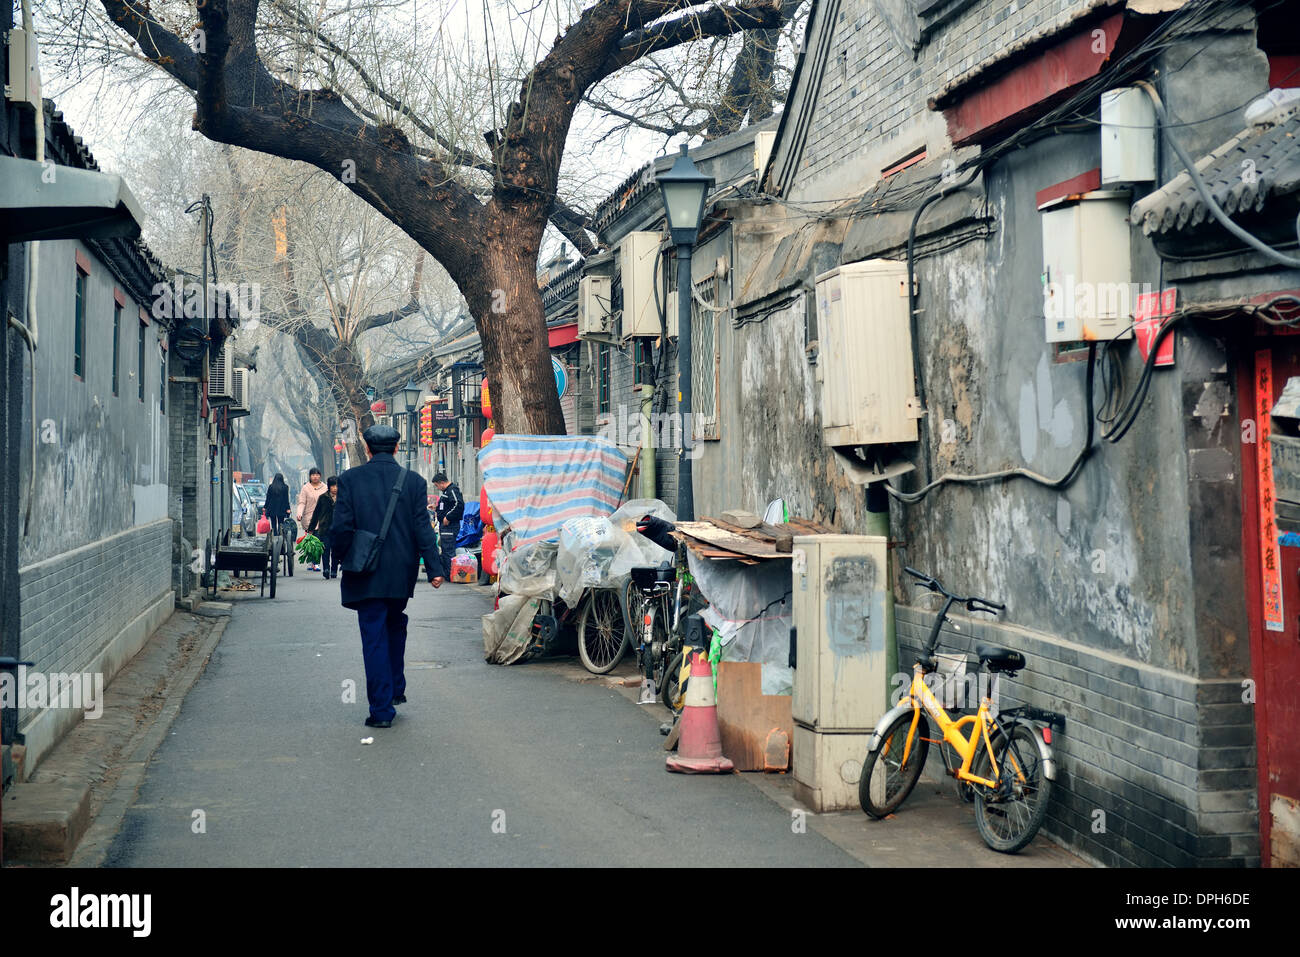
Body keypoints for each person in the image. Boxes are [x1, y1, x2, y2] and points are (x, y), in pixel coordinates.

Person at [331, 425, 442, 729]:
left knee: (374, 636)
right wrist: (434, 569)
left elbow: (340, 529)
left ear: (367, 449)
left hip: (365, 573)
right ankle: (394, 689)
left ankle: (381, 709)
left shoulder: (350, 480)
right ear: (396, 449)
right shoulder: (414, 483)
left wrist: (341, 558)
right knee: (394, 626)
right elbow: (423, 529)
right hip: (399, 574)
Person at [431, 472, 465, 584]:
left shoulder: (452, 490)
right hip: (445, 527)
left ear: (441, 483)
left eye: (437, 485)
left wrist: (448, 517)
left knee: (449, 551)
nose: (437, 488)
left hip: (449, 527)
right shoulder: (446, 492)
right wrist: (436, 508)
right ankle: (447, 574)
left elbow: (458, 504)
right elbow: (448, 506)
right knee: (445, 550)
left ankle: (451, 575)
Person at [307, 476, 340, 579]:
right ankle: (326, 568)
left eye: (337, 486)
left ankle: (334, 570)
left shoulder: (343, 497)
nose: (335, 488)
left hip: (338, 529)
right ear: (329, 486)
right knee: (325, 549)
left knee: (335, 550)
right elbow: (316, 513)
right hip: (325, 528)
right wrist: (311, 528)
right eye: (333, 486)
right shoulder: (323, 498)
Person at [296, 467, 328, 571]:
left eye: (317, 474)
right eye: (313, 474)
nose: (315, 476)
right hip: (309, 517)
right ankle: (312, 560)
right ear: (310, 476)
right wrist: (299, 513)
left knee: (318, 539)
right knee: (311, 540)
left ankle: (315, 562)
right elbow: (302, 503)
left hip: (322, 517)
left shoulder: (325, 487)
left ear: (320, 476)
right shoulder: (306, 488)